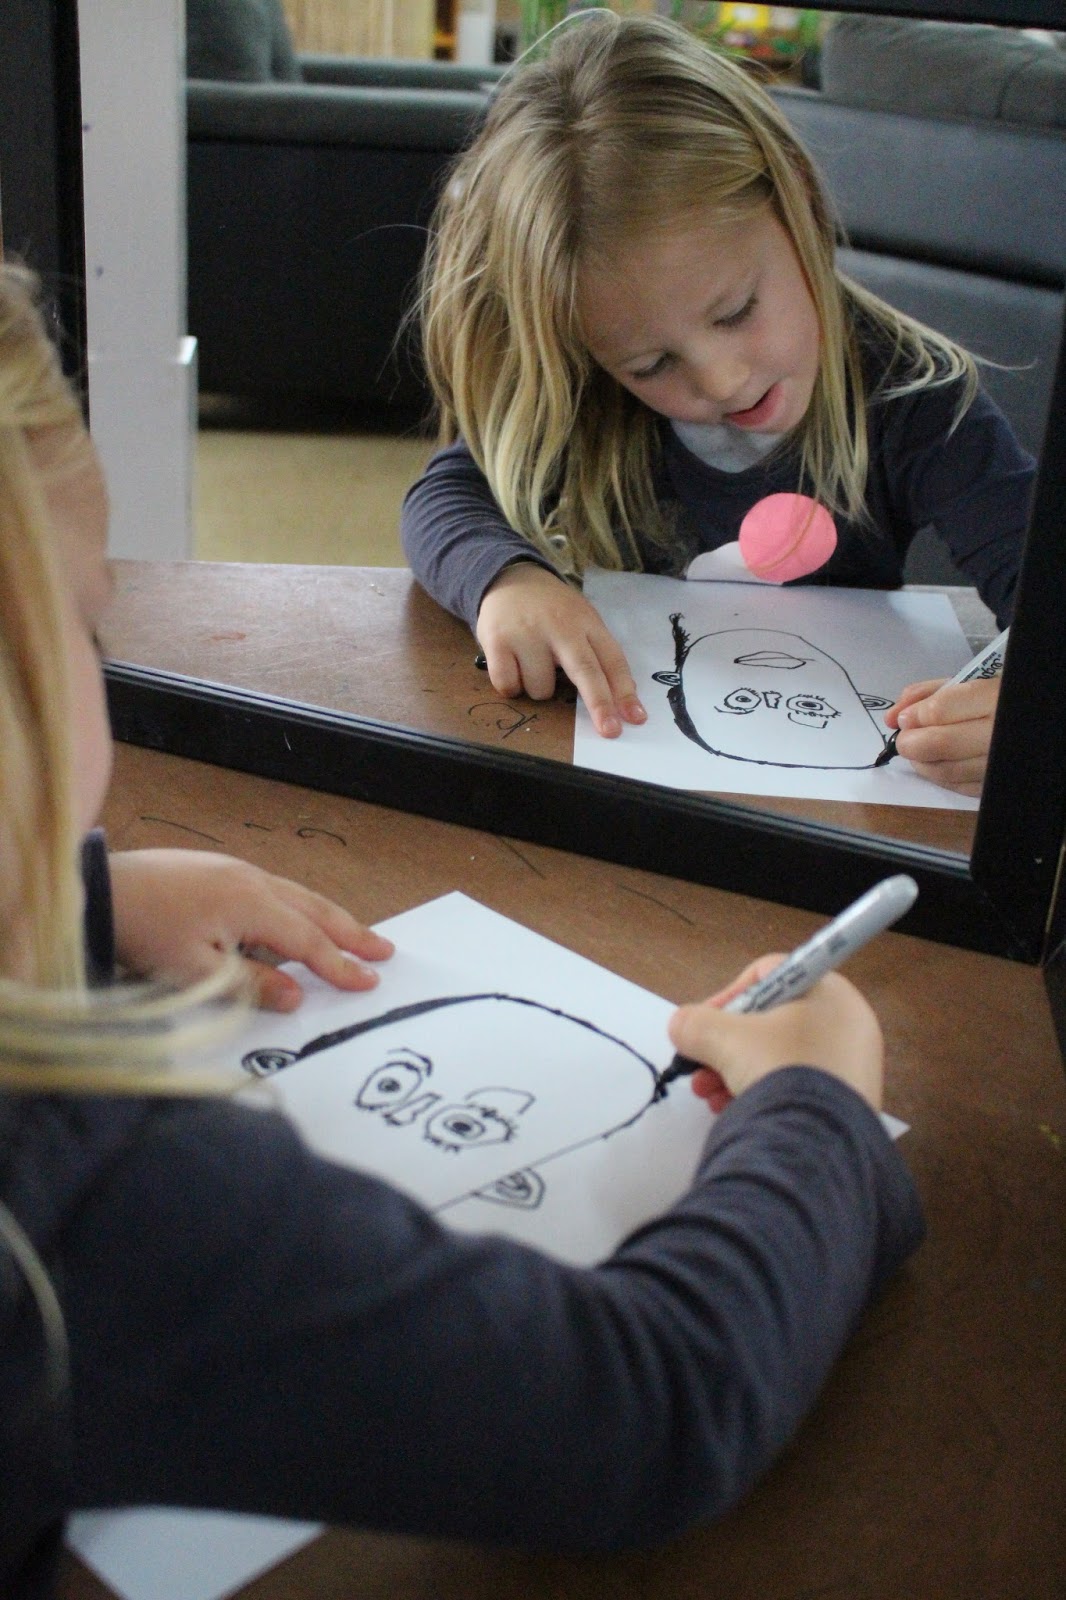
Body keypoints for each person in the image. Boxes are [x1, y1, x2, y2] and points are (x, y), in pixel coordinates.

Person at [0, 261, 922, 1596]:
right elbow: (643, 1412)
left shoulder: (908, 397)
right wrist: (819, 1108)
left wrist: (75, 900)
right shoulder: (84, 1200)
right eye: (79, 635)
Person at [401, 10, 1032, 798]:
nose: (724, 382)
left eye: (736, 311)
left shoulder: (918, 400)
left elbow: (1040, 575)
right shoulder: (593, 401)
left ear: (796, 200)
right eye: (653, 363)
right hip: (631, 777)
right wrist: (507, 582)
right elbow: (445, 492)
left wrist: (1033, 708)